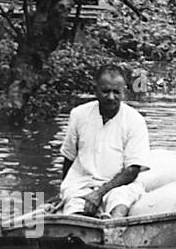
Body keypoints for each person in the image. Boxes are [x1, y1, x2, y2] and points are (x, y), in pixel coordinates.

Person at [58, 64, 150, 217]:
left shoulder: (135, 120)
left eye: (116, 92)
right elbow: (69, 157)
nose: (111, 97)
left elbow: (132, 170)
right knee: (73, 206)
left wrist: (100, 193)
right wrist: (63, 189)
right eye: (106, 91)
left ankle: (113, 228)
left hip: (119, 185)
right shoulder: (79, 114)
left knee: (119, 202)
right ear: (96, 90)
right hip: (82, 183)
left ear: (124, 92)